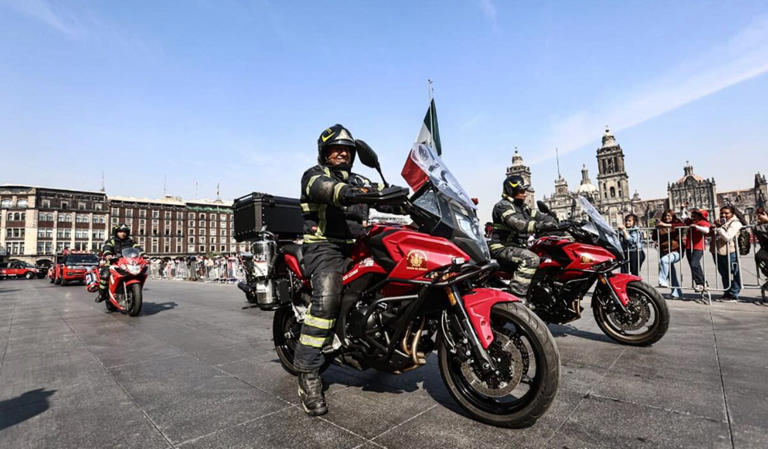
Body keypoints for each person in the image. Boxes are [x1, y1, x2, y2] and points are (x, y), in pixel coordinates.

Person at [294, 124, 398, 416]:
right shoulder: (314, 175)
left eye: (347, 150)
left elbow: (383, 192)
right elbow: (332, 191)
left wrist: (409, 198)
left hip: (358, 245)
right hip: (324, 247)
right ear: (324, 152)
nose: (342, 153)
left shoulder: (362, 178)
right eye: (335, 149)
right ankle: (309, 372)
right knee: (327, 300)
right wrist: (358, 192)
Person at [489, 175, 558, 297]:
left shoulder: (523, 207)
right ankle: (517, 297)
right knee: (530, 259)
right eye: (521, 191)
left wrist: (555, 220)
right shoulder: (503, 206)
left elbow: (538, 216)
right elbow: (518, 224)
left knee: (548, 258)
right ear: (511, 191)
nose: (525, 194)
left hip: (518, 247)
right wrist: (541, 225)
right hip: (502, 247)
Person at [96, 224, 143, 302]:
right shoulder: (111, 241)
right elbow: (107, 247)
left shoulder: (131, 242)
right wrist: (108, 254)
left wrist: (143, 254)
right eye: (120, 231)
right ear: (116, 232)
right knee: (105, 275)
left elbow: (138, 248)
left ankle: (133, 291)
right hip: (113, 263)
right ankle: (102, 294)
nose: (123, 233)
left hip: (127, 263)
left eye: (125, 231)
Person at [711, 205, 743, 300]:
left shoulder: (735, 223)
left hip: (731, 251)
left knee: (734, 273)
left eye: (726, 213)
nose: (723, 215)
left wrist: (719, 228)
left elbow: (728, 237)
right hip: (719, 251)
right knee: (724, 273)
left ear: (732, 214)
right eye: (722, 213)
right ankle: (727, 292)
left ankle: (734, 294)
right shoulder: (720, 222)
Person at [653, 210, 683, 298]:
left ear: (673, 216)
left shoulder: (676, 224)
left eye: (669, 216)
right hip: (664, 251)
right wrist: (656, 228)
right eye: (665, 216)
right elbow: (654, 237)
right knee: (671, 273)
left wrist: (666, 225)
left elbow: (682, 225)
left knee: (664, 260)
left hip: (676, 251)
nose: (667, 217)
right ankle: (677, 293)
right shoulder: (661, 226)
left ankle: (662, 280)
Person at [683, 209, 711, 292]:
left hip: (698, 246)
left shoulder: (702, 222)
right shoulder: (692, 222)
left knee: (694, 264)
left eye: (695, 215)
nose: (693, 216)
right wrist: (683, 209)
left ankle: (700, 283)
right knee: (694, 265)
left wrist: (696, 226)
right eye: (692, 215)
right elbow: (683, 217)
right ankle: (703, 283)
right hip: (689, 246)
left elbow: (707, 230)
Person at [753, 207, 768, 285]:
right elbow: (743, 221)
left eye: (762, 214)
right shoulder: (757, 226)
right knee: (759, 257)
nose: (760, 216)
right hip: (765, 248)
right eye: (758, 214)